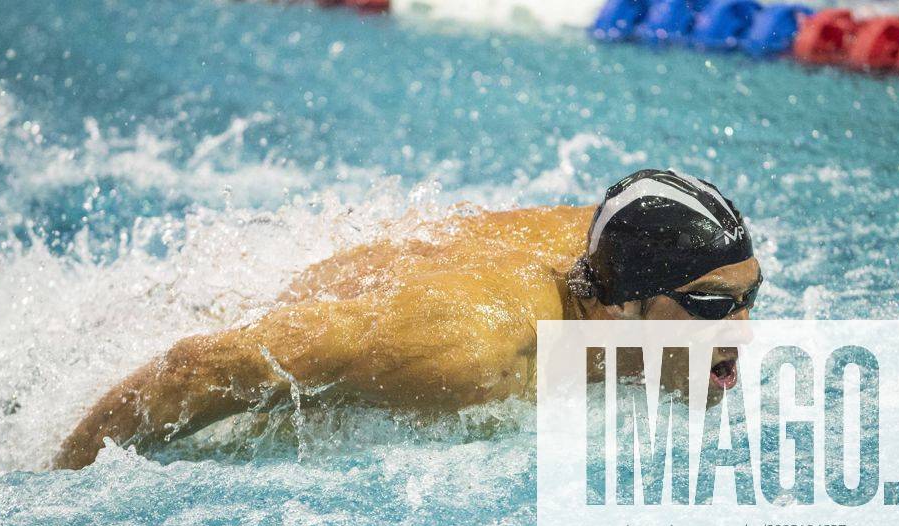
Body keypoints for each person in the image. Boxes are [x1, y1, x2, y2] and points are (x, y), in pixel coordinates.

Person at [53, 169, 762, 469]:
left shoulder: (652, 249)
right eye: (709, 308)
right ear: (625, 302)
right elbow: (202, 367)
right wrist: (60, 482)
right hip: (288, 323)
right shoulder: (475, 351)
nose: (743, 331)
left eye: (749, 298)